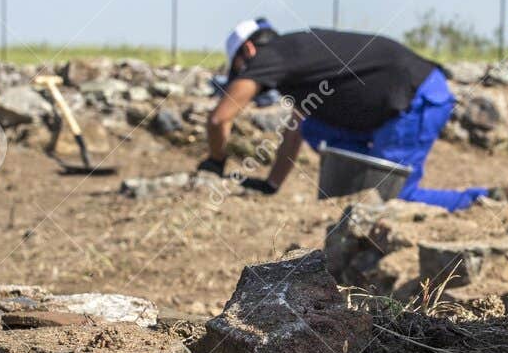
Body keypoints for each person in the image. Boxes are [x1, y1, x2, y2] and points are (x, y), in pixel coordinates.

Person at [201, 19, 489, 211]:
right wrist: (271, 184)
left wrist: (216, 162)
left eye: (240, 70)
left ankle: (482, 201)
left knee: (394, 197)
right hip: (399, 101)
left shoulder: (270, 56)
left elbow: (219, 118)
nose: (244, 77)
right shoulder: (293, 58)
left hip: (415, 98)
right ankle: (363, 190)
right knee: (313, 127)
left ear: (249, 49)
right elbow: (295, 129)